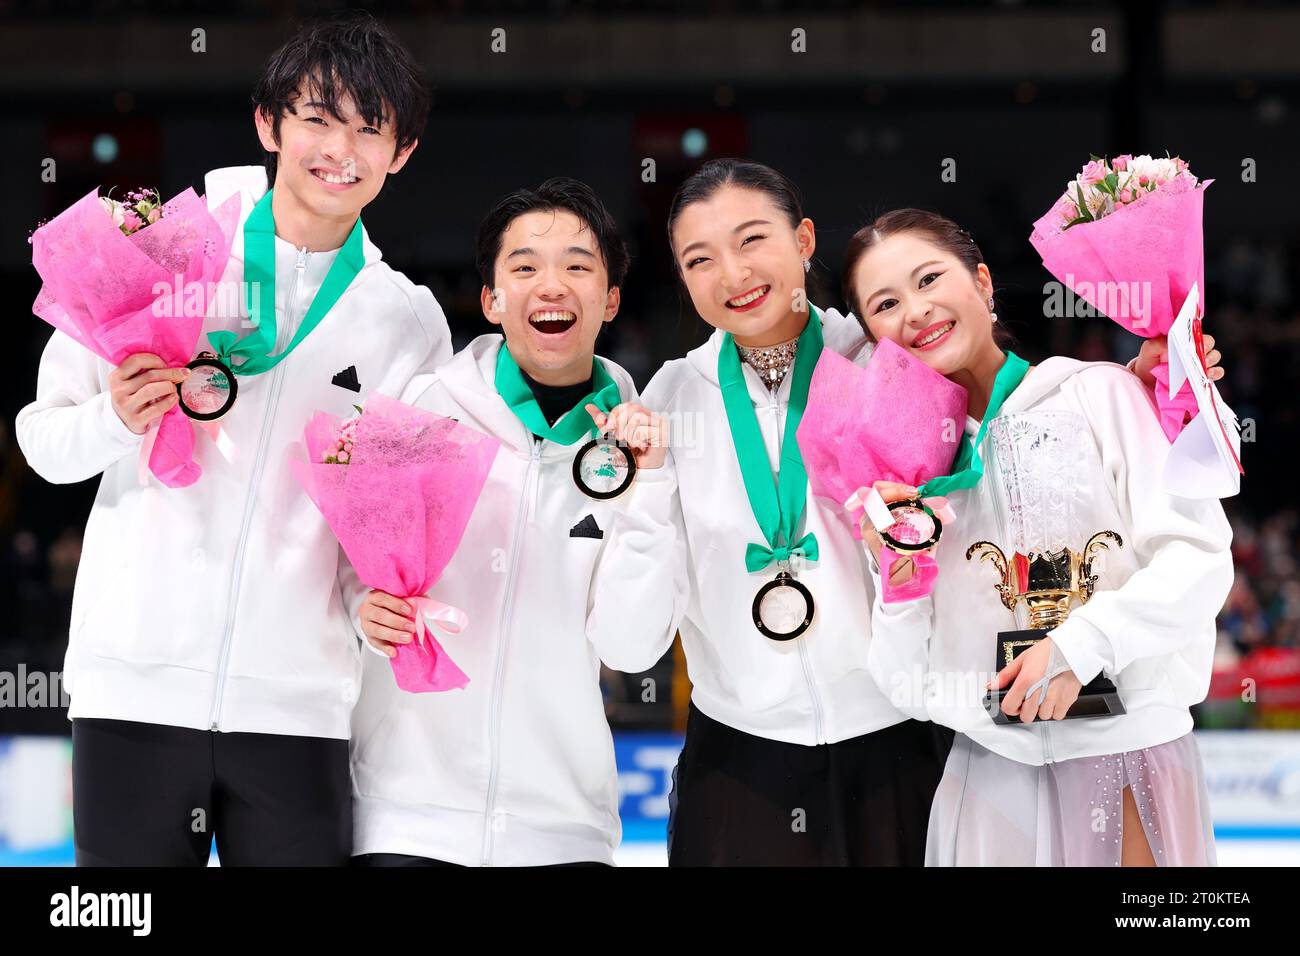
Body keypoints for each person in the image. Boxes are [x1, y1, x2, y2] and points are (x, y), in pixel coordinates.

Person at [15, 12, 451, 866]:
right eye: (319, 118)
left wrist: (374, 607)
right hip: (132, 689)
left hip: (299, 712)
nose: (341, 149)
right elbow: (43, 442)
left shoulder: (406, 322)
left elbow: (385, 532)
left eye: (371, 129)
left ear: (400, 154)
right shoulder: (160, 240)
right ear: (268, 123)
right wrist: (115, 415)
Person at [847, 208, 1231, 866]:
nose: (915, 310)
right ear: (874, 337)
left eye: (929, 279)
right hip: (991, 777)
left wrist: (1081, 645)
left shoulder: (1102, 394)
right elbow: (904, 683)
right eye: (886, 302)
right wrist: (901, 576)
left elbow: (1199, 562)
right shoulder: (897, 488)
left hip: (1127, 759)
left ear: (984, 282)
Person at [350, 178, 676, 866]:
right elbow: (355, 570)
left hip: (561, 830)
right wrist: (362, 609)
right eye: (524, 267)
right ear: (493, 299)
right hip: (407, 821)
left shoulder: (640, 448)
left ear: (610, 299)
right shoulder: (418, 412)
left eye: (578, 267)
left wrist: (649, 491)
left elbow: (630, 646)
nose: (550, 285)